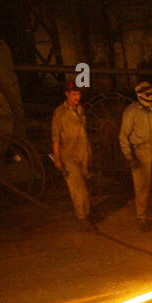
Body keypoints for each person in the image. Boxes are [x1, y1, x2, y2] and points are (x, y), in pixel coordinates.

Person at [119, 81, 152, 232]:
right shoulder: (131, 113)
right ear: (140, 95)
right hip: (140, 152)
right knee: (142, 188)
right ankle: (142, 216)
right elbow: (123, 136)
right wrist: (129, 156)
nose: (151, 96)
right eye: (148, 94)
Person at [51, 81, 93, 231]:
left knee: (84, 186)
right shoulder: (59, 113)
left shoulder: (81, 109)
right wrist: (57, 159)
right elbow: (55, 138)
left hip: (83, 154)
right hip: (68, 156)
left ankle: (85, 213)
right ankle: (82, 218)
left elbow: (84, 132)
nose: (77, 97)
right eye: (74, 94)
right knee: (78, 188)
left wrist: (88, 151)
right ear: (67, 94)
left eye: (79, 94)